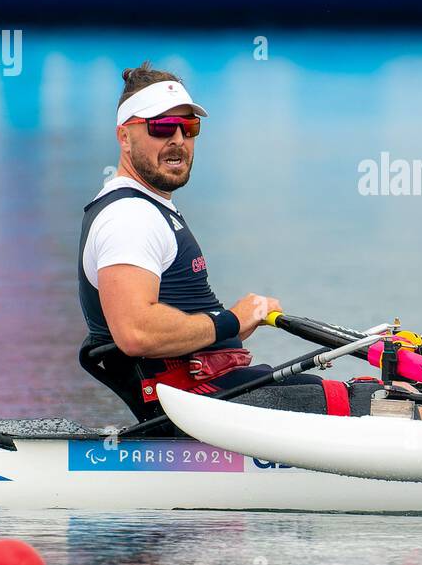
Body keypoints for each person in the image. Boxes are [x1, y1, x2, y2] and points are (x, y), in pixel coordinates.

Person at [78, 64, 362, 429]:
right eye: (161, 127)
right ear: (124, 136)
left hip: (216, 394)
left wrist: (244, 320)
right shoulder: (129, 216)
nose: (178, 139)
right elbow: (137, 332)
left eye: (189, 127)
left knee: (396, 390)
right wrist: (232, 319)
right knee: (383, 400)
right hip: (200, 408)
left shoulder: (150, 207)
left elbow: (183, 326)